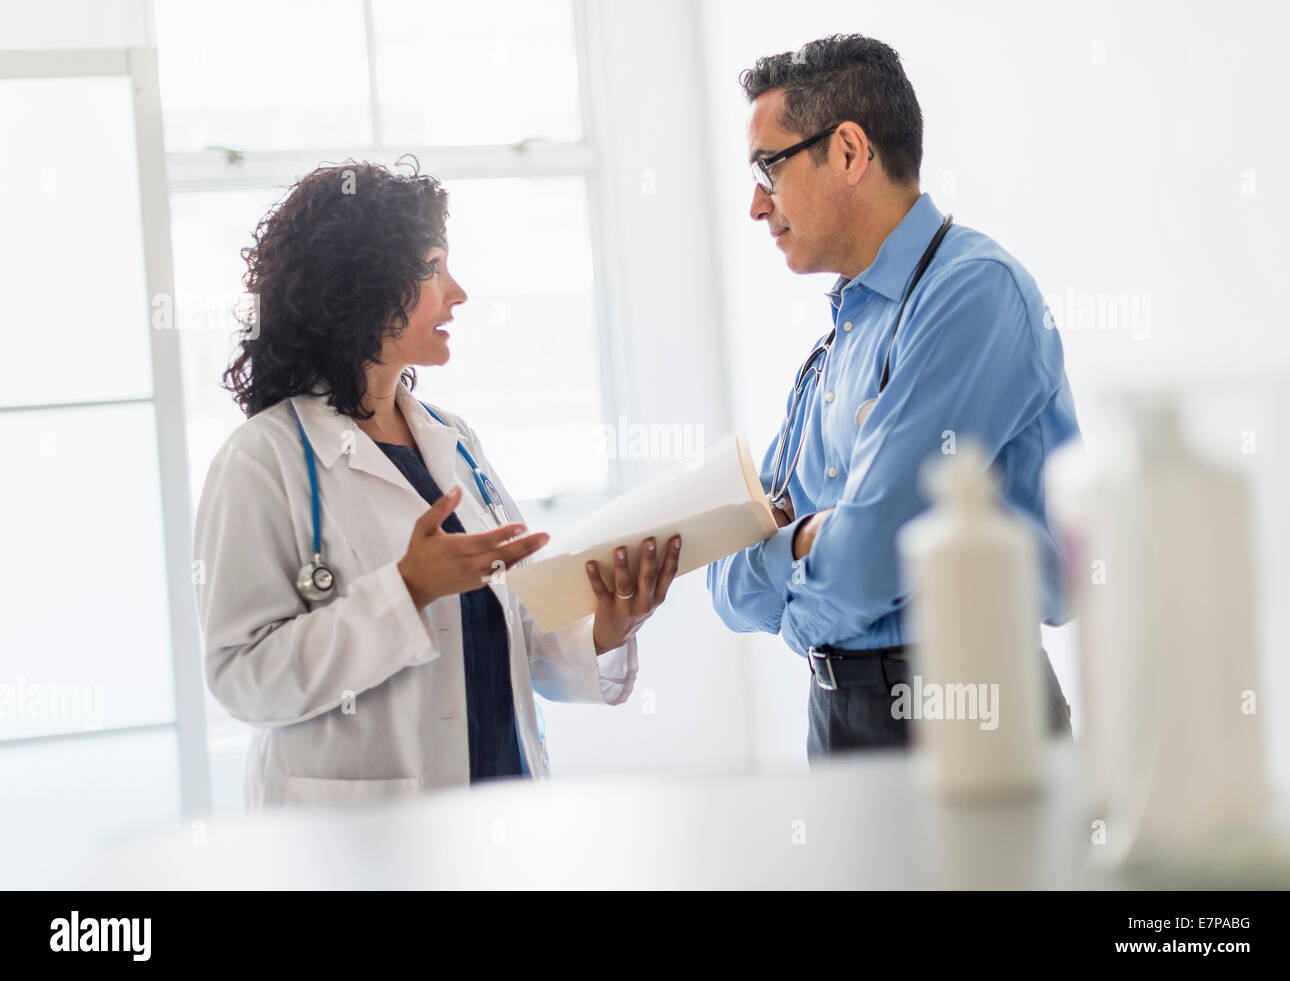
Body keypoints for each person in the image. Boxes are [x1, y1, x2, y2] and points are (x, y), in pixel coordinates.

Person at [194, 160, 681, 808]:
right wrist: (406, 589)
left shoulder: (454, 440)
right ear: (360, 286)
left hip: (498, 815)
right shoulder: (262, 461)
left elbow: (517, 642)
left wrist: (607, 628)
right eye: (431, 268)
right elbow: (242, 679)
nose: (457, 292)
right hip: (356, 842)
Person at [707, 35, 1079, 760]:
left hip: (970, 710)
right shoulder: (837, 344)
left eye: (768, 167)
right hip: (839, 718)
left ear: (848, 152)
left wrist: (794, 570)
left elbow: (868, 559)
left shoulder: (972, 292)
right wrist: (812, 541)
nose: (756, 204)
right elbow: (725, 580)